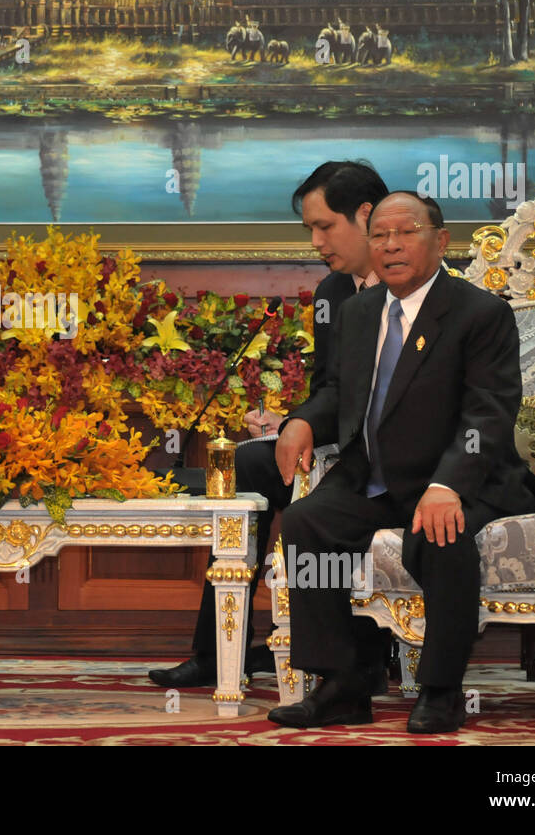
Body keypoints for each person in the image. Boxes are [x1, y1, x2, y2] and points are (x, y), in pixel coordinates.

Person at [267, 192, 535, 733]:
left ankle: (441, 690)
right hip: (374, 480)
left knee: (438, 535)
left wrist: (448, 484)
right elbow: (338, 390)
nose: (391, 245)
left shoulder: (480, 313)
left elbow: (487, 414)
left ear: (440, 241)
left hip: (461, 480)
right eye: (379, 235)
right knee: (308, 522)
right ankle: (345, 684)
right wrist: (301, 421)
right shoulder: (358, 311)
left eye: (406, 232)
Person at [150, 160, 388, 690]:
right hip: (340, 444)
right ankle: (217, 653)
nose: (316, 241)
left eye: (324, 226)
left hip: (397, 454)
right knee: (249, 463)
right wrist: (293, 421)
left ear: (365, 214)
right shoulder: (332, 292)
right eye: (310, 230)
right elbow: (332, 387)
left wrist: (307, 423)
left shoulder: (416, 284)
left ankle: (356, 648)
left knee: (272, 465)